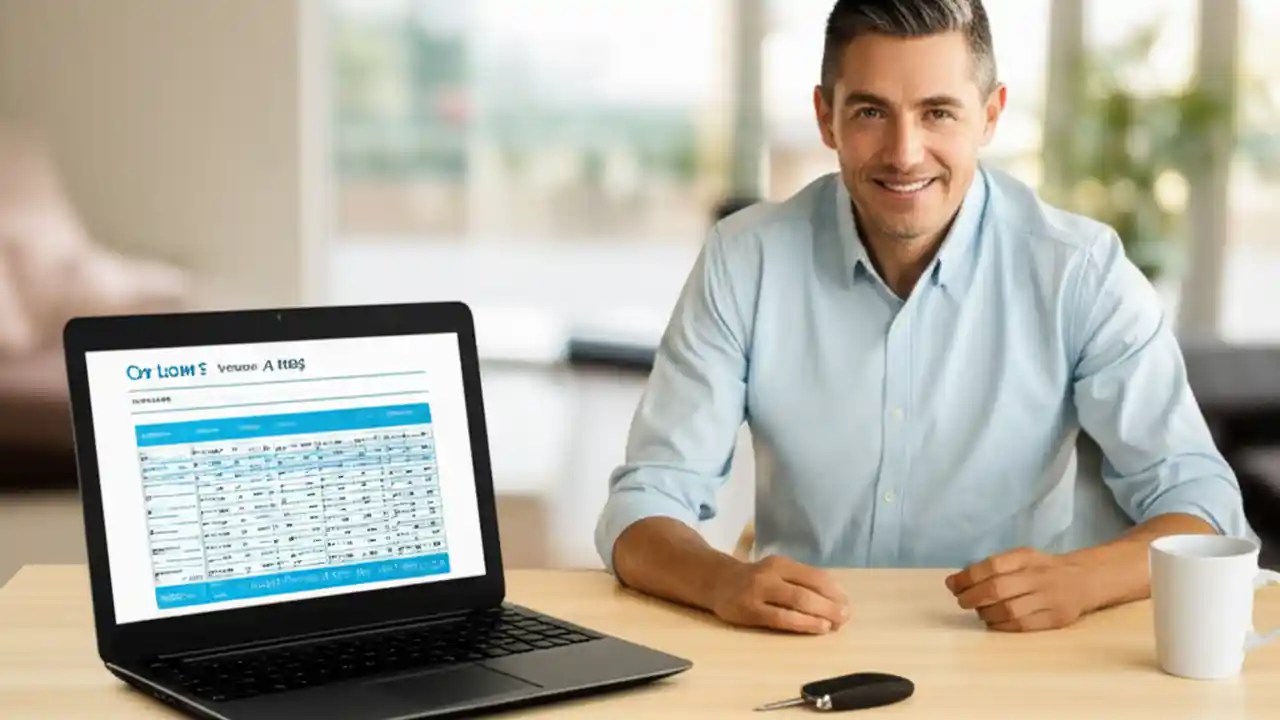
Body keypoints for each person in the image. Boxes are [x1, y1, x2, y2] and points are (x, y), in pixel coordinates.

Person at [593, 0, 1250, 636]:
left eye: (938, 112)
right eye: (870, 112)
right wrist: (720, 581)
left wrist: (1081, 580)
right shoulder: (745, 260)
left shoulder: (1080, 271)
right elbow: (644, 503)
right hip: (801, 646)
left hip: (1014, 653)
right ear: (826, 118)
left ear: (990, 115)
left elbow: (1205, 508)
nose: (904, 153)